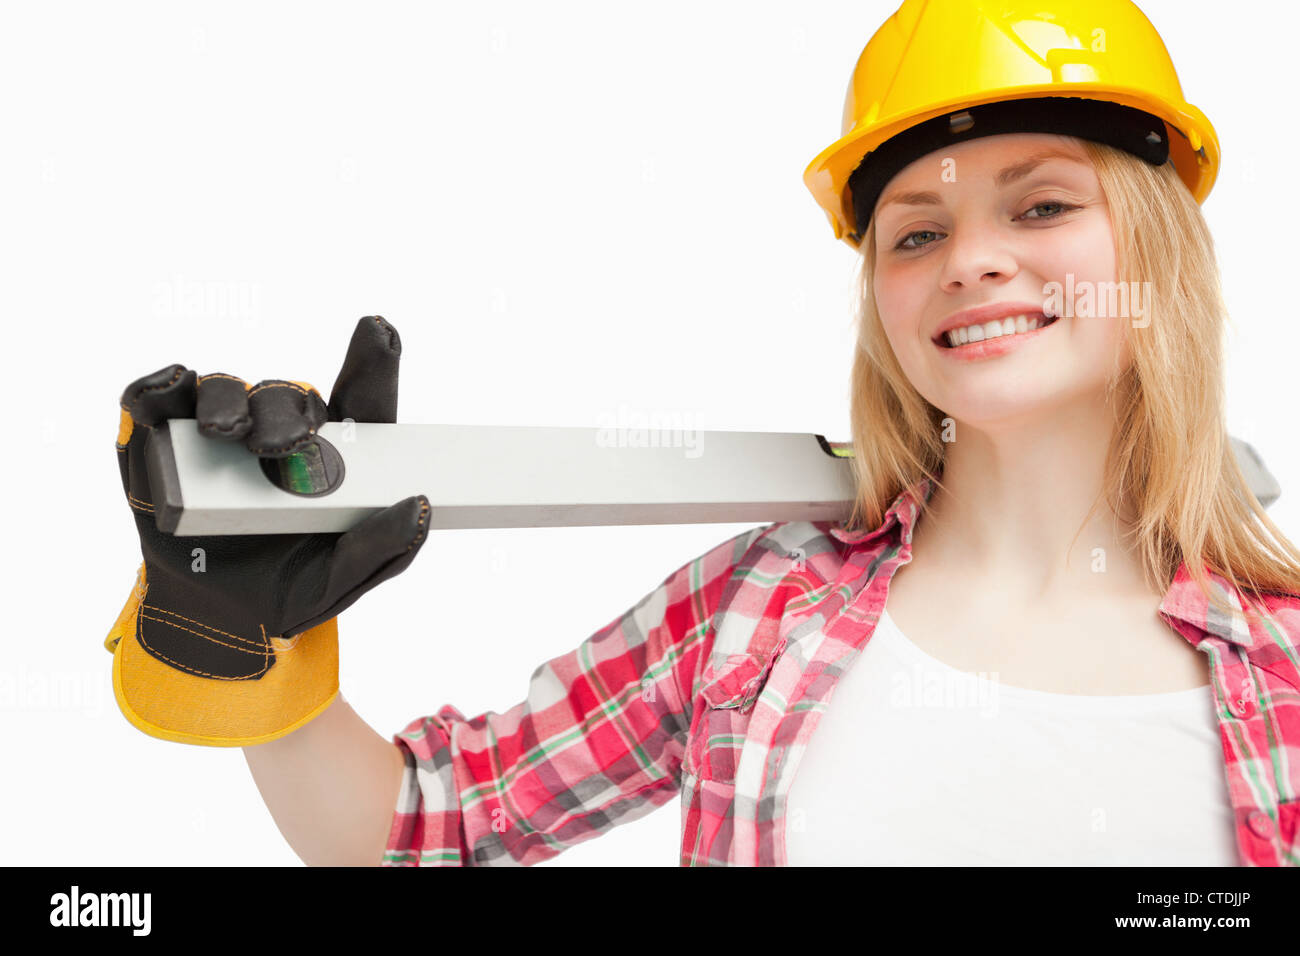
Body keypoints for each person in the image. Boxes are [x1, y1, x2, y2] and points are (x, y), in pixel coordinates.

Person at [107, 0, 1300, 867]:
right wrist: (256, 635)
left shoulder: (1285, 656)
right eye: (915, 233)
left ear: (1155, 253)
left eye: (1040, 204)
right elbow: (428, 826)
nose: (973, 257)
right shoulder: (755, 610)